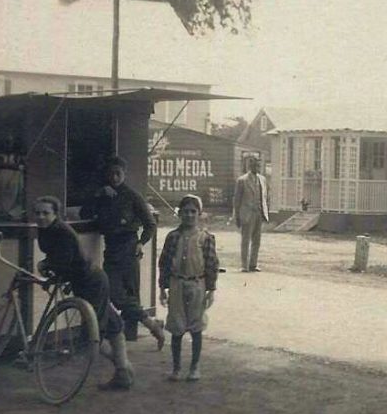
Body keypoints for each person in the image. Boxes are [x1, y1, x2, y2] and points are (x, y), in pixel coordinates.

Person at [33, 195, 135, 391]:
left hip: (91, 282)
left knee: (92, 335)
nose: (41, 217)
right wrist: (47, 265)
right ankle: (123, 371)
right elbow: (56, 259)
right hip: (81, 282)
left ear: (56, 214)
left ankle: (123, 369)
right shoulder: (45, 231)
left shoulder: (62, 232)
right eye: (37, 213)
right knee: (112, 324)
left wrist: (49, 271)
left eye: (46, 213)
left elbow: (63, 262)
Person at [80, 155, 166, 347]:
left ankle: (132, 334)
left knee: (129, 291)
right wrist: (99, 194)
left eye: (118, 173)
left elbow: (150, 224)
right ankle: (153, 325)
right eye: (111, 174)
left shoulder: (132, 196)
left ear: (124, 174)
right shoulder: (103, 195)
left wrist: (141, 243)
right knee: (114, 292)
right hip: (111, 248)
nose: (115, 177)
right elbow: (84, 214)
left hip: (128, 246)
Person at [159, 195, 219, 382]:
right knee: (177, 327)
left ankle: (194, 367)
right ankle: (176, 368)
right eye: (186, 211)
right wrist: (163, 288)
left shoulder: (205, 238)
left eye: (193, 211)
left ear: (199, 214)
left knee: (196, 326)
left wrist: (211, 290)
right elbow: (165, 263)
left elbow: (211, 264)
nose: (189, 215)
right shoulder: (173, 237)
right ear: (180, 214)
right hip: (177, 284)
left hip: (197, 284)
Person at [231, 158, 269, 273]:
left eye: (258, 165)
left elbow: (264, 197)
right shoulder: (242, 180)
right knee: (246, 240)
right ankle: (244, 265)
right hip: (247, 213)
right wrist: (236, 216)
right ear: (249, 166)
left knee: (257, 240)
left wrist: (264, 212)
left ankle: (253, 264)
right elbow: (237, 200)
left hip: (259, 212)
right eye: (254, 165)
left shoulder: (262, 179)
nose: (257, 167)